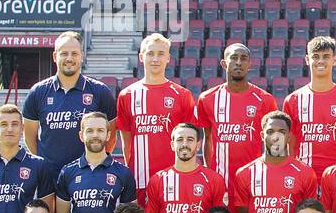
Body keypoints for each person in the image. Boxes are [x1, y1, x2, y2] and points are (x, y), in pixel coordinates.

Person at [21, 30, 116, 173]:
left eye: (74, 53)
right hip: (49, 176)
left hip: (88, 175)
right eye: (64, 53)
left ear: (81, 56)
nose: (69, 58)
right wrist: (45, 163)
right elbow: (29, 136)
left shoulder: (100, 91)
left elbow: (111, 136)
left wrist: (95, 161)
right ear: (54, 56)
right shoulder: (38, 92)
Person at [194, 42, 279, 193]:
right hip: (220, 182)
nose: (239, 62)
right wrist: (209, 172)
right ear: (224, 63)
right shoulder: (207, 99)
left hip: (254, 180)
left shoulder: (265, 100)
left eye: (243, 58)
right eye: (234, 58)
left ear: (249, 64)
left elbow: (273, 143)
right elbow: (208, 137)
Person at [116, 33, 195, 193]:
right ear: (141, 57)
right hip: (139, 180)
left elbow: (189, 141)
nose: (155, 59)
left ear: (168, 58)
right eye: (150, 53)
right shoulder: (127, 95)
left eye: (161, 54)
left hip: (174, 179)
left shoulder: (182, 95)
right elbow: (126, 143)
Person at [283, 35, 336, 184]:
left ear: (335, 60)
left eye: (326, 56)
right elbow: (289, 144)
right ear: (307, 60)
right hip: (302, 178)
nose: (320, 61)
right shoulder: (293, 100)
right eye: (315, 56)